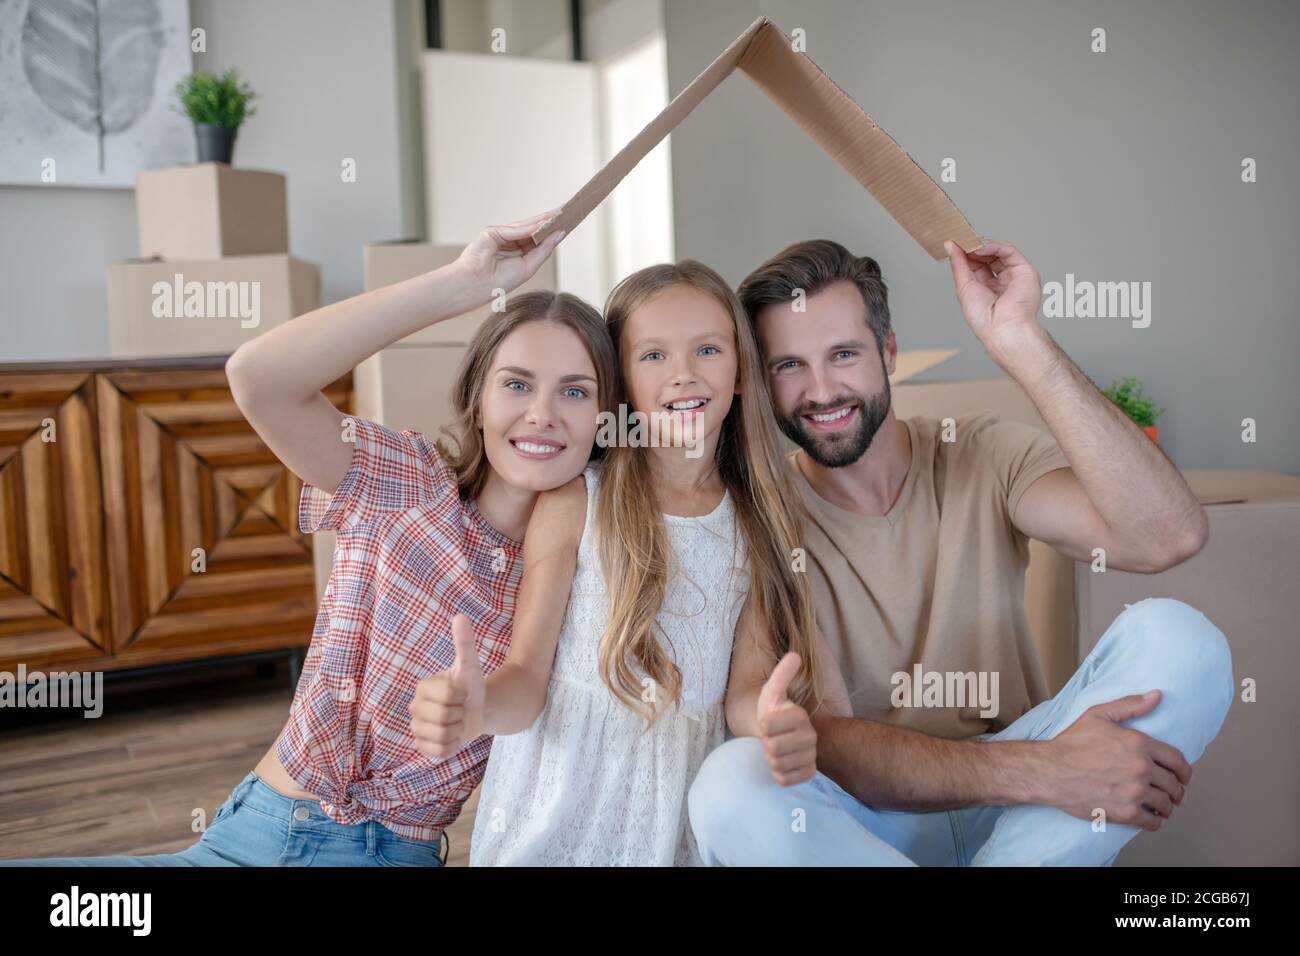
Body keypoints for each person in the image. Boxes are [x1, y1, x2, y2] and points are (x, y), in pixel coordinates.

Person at [5, 210, 616, 867]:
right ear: (476, 401)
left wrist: (479, 707)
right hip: (257, 829)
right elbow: (260, 379)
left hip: (389, 852)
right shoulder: (409, 483)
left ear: (607, 419)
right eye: (517, 384)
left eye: (574, 392)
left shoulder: (587, 559)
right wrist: (461, 283)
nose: (541, 414)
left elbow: (525, 692)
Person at [687, 238, 1233, 866]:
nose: (821, 390)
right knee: (731, 781)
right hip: (867, 828)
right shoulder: (761, 512)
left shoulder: (981, 453)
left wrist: (1022, 343)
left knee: (1180, 638)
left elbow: (1168, 536)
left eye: (844, 354)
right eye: (789, 366)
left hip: (1023, 818)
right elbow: (829, 742)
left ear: (888, 351)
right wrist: (1043, 770)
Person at [410, 260, 843, 865]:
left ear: (742, 370)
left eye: (708, 350)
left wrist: (771, 721)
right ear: (621, 383)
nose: (684, 374)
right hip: (551, 838)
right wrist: (476, 705)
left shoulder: (756, 524)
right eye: (653, 356)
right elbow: (527, 679)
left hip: (673, 839)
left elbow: (746, 687)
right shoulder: (577, 499)